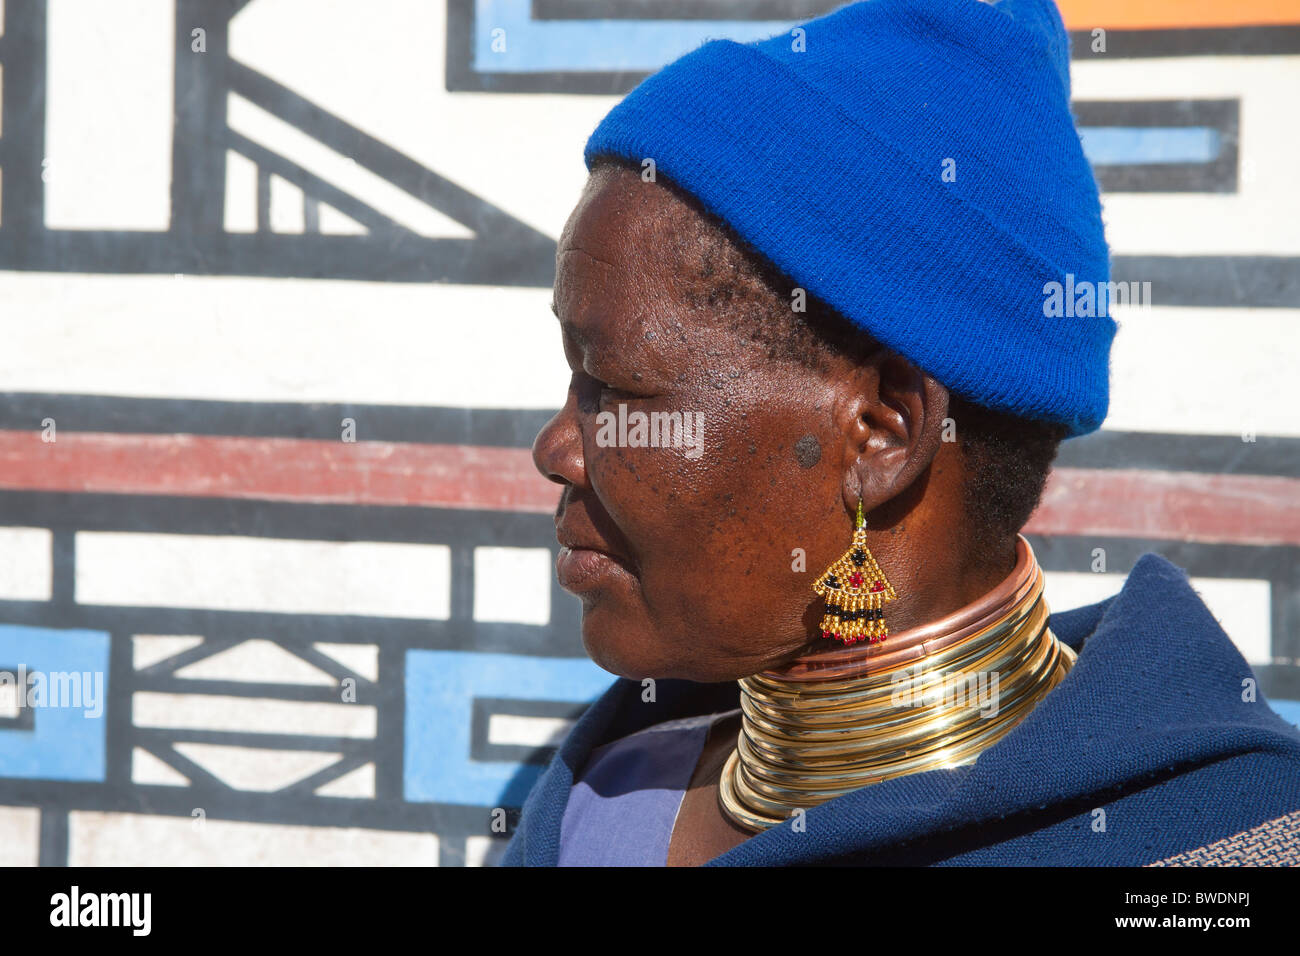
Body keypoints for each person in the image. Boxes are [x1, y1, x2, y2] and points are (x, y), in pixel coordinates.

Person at [502, 0, 1300, 866]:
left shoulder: (1225, 843)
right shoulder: (598, 806)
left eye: (616, 386)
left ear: (883, 431)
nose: (558, 449)